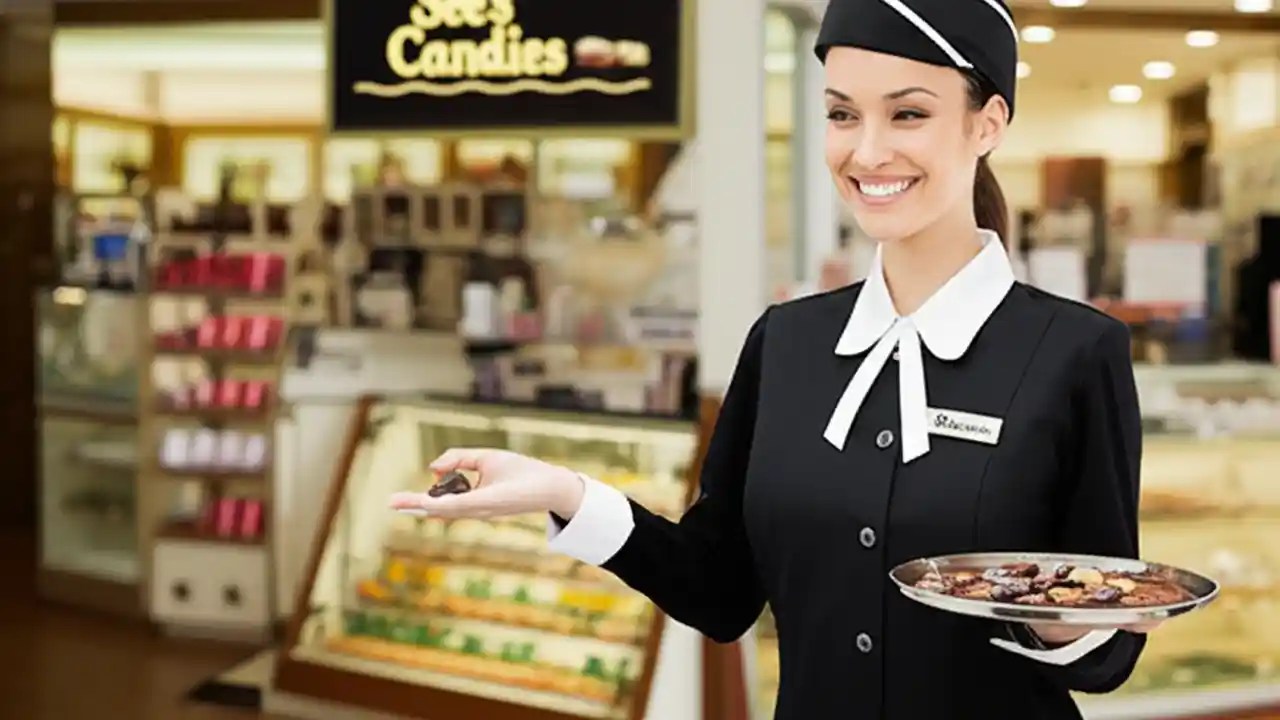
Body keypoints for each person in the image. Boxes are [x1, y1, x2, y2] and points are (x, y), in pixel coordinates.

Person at [391, 0, 1159, 716]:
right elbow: (719, 592)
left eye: (909, 114)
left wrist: (1055, 616)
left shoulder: (1075, 353)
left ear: (987, 123)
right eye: (841, 114)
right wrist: (564, 491)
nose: (867, 151)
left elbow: (1108, 654)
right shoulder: (787, 344)